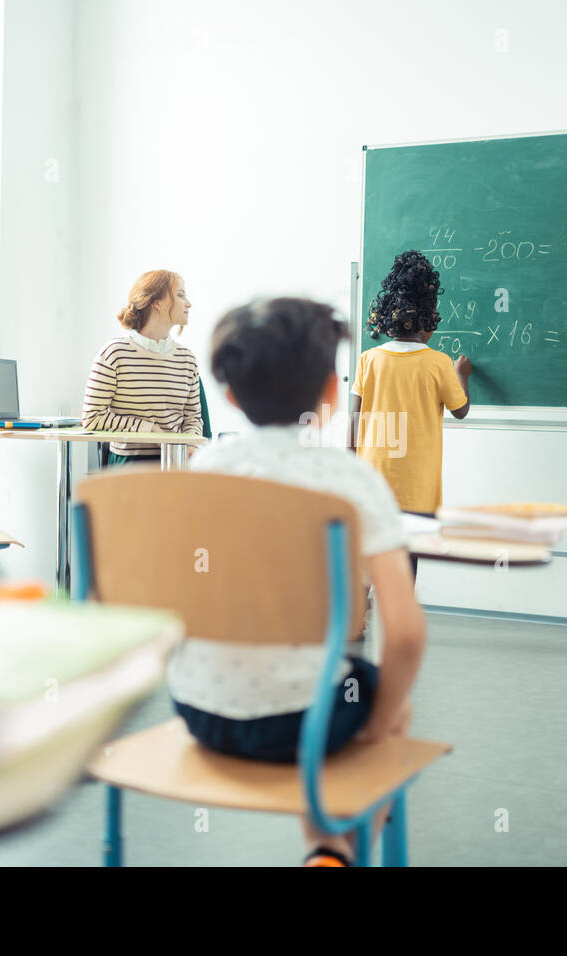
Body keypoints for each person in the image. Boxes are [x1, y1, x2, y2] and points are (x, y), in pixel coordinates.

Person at [177, 297, 426, 866]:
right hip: (301, 721)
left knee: (313, 683)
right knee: (387, 707)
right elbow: (405, 636)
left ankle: (327, 849)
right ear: (331, 395)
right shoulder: (351, 480)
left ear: (231, 394)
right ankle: (332, 847)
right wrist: (377, 723)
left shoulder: (206, 469)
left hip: (200, 708)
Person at [350, 250, 471, 577]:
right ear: (429, 320)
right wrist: (463, 375)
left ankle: (358, 616)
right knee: (407, 552)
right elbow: (460, 410)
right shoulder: (440, 363)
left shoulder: (369, 359)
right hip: (417, 480)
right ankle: (396, 618)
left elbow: (354, 419)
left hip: (372, 474)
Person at [82, 270, 203, 466]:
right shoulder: (114, 352)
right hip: (128, 464)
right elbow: (92, 417)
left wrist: (189, 446)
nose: (188, 303)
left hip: (176, 464)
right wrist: (150, 430)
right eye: (180, 295)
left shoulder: (187, 359)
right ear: (157, 302)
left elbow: (193, 418)